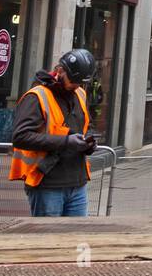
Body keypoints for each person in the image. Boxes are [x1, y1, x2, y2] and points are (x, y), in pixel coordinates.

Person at [9, 49, 98, 217]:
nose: (76, 86)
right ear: (60, 70)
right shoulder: (37, 97)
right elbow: (20, 137)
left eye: (80, 82)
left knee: (75, 240)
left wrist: (88, 144)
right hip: (47, 184)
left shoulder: (80, 94)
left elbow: (85, 126)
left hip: (77, 183)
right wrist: (66, 141)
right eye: (73, 81)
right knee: (48, 238)